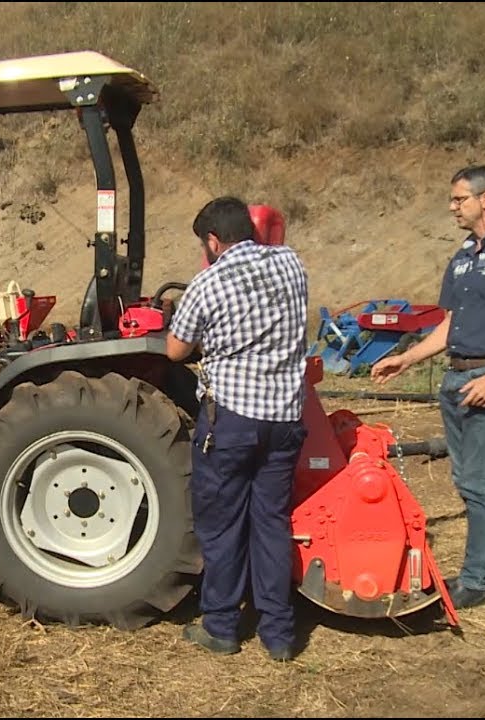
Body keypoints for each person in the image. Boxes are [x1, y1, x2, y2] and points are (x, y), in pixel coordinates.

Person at [371, 165, 485, 609]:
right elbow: (449, 325)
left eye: (459, 199)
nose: (452, 207)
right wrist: (407, 357)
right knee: (467, 480)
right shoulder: (465, 255)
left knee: (477, 483)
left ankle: (474, 582)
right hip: (457, 377)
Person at [166, 196, 310, 662]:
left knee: (223, 524)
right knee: (271, 522)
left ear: (212, 240)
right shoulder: (292, 264)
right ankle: (279, 635)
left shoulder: (208, 283)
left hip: (232, 422)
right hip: (286, 419)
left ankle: (222, 627)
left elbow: (175, 350)